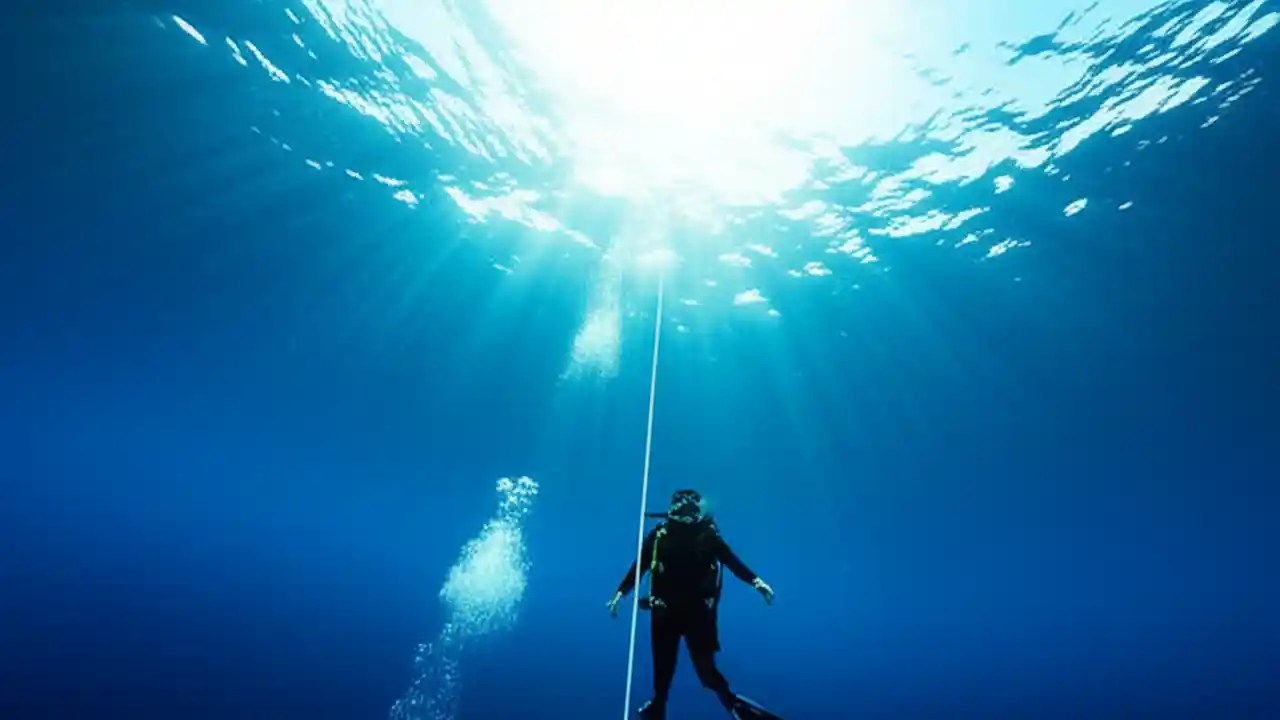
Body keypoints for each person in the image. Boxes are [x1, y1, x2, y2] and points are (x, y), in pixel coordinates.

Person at [607, 489, 781, 719]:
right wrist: (622, 591)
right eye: (681, 502)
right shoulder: (660, 535)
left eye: (691, 503)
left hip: (695, 614)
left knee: (705, 671)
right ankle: (658, 707)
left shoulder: (708, 535)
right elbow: (640, 566)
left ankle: (731, 703)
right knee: (663, 669)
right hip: (666, 612)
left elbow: (731, 561)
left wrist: (756, 581)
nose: (685, 506)